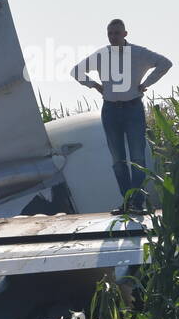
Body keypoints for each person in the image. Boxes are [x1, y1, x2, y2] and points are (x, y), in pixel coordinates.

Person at [71, 19, 172, 215]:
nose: (113, 37)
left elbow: (165, 63)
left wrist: (146, 83)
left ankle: (138, 202)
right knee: (118, 160)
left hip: (132, 108)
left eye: (117, 33)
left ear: (125, 34)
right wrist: (95, 86)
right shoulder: (101, 55)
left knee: (137, 157)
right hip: (110, 110)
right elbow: (75, 71)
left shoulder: (138, 53)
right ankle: (126, 202)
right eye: (110, 33)